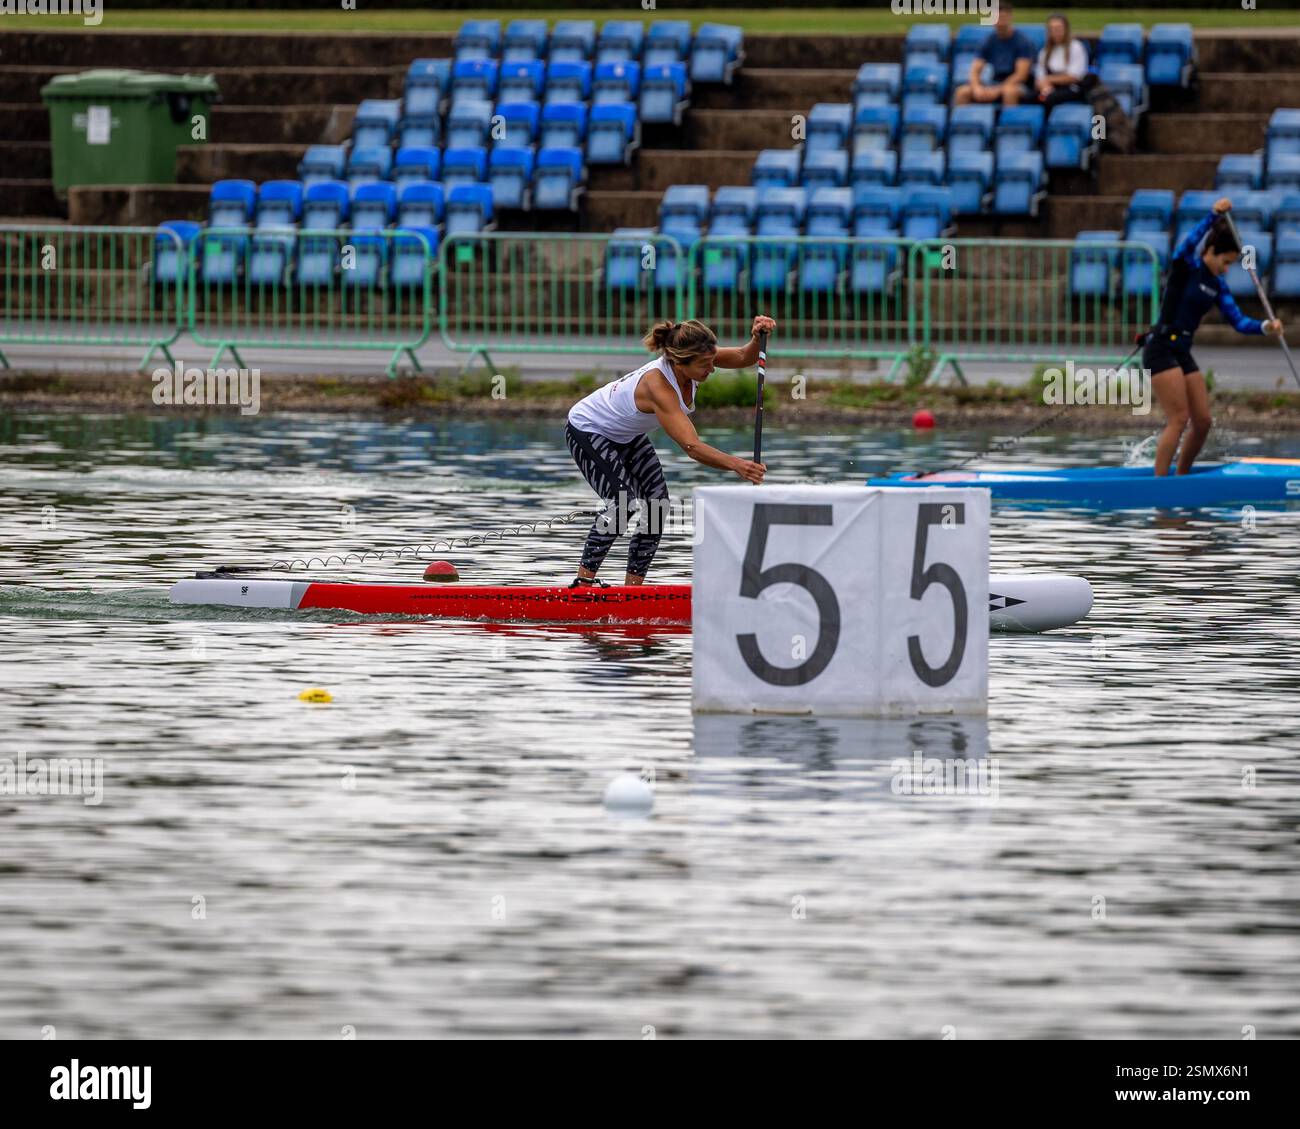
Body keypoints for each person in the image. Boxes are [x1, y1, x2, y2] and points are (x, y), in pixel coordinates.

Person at [565, 317, 774, 586]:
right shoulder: (659, 386)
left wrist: (757, 337)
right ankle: (582, 585)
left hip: (626, 434)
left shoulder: (701, 356)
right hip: (589, 428)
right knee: (622, 503)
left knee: (656, 505)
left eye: (713, 360)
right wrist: (737, 465)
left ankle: (633, 591)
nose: (712, 368)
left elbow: (746, 356)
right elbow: (692, 447)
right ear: (679, 362)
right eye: (704, 365)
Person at [1144, 198, 1283, 476]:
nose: (1227, 268)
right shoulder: (1186, 266)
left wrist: (1267, 326)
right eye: (1226, 261)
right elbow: (1186, 243)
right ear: (1211, 251)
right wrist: (1212, 215)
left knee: (1203, 421)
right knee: (1179, 419)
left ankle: (1182, 477)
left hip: (1181, 351)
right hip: (1160, 347)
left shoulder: (1218, 286)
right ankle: (1159, 486)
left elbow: (1240, 322)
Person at [953, 2, 1036, 107]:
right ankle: (964, 122)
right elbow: (975, 69)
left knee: (1009, 92)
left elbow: (1021, 75)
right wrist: (976, 87)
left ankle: (1008, 122)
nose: (999, 22)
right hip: (995, 81)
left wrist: (998, 89)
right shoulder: (989, 40)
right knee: (962, 92)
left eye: (1002, 17)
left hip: (1019, 85)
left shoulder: (1023, 41)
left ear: (1010, 17)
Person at [1034, 13, 1089, 111]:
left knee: (1049, 98)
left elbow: (1074, 76)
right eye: (1051, 29)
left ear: (1066, 29)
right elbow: (1040, 76)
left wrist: (1049, 79)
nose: (1055, 32)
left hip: (1072, 88)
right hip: (1050, 88)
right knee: (1030, 97)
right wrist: (1044, 86)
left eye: (1058, 28)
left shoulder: (1076, 47)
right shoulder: (1045, 51)